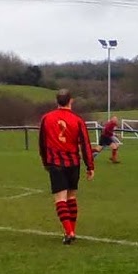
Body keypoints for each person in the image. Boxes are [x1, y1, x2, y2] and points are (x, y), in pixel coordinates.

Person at [39, 89, 95, 244]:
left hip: (56, 163)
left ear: (57, 101)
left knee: (60, 199)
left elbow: (42, 143)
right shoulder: (78, 120)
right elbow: (85, 144)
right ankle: (71, 230)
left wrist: (45, 161)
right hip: (73, 163)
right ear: (71, 101)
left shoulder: (46, 118)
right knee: (71, 197)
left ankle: (69, 232)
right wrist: (90, 166)